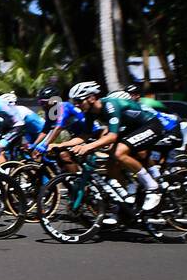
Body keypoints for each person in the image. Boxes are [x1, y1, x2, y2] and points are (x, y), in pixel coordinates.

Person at [69, 82, 162, 214]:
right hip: (133, 129)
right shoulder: (90, 112)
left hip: (151, 125)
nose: (75, 105)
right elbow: (84, 136)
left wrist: (89, 146)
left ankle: (153, 187)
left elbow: (112, 136)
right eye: (74, 101)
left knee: (118, 152)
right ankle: (128, 194)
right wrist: (61, 145)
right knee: (111, 165)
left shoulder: (110, 105)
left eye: (78, 101)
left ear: (91, 98)